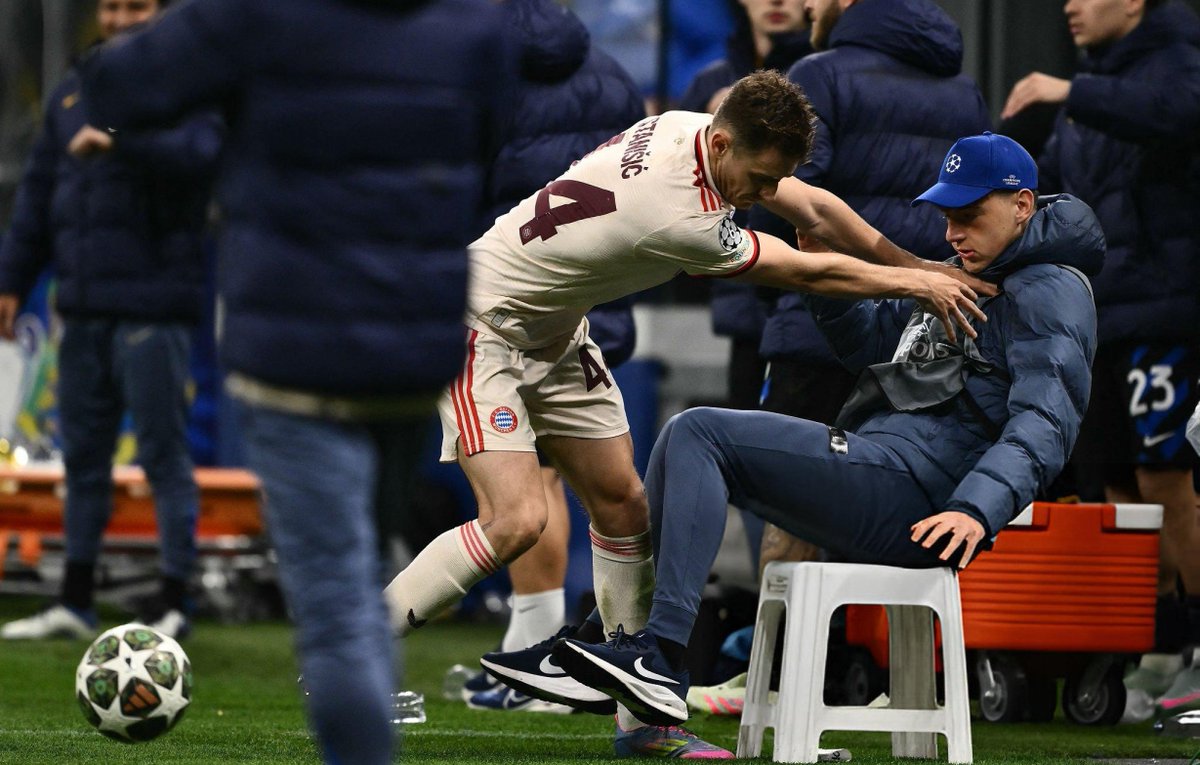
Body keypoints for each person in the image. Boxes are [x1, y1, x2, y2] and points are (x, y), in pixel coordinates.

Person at [383, 69, 990, 755]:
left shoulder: (692, 129)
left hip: (554, 328)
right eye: (759, 182)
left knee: (623, 505)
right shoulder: (679, 215)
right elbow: (809, 270)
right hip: (480, 322)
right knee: (519, 517)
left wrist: (921, 264)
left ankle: (639, 717)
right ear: (725, 142)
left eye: (772, 182)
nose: (763, 196)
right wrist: (920, 284)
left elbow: (814, 210)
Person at [510, 132, 1102, 730]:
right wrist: (824, 273)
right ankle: (614, 642)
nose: (952, 233)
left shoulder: (1051, 288)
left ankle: (657, 656)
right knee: (683, 439)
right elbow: (876, 347)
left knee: (699, 434)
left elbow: (1047, 420)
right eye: (948, 216)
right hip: (889, 467)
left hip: (924, 500)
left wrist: (977, 509)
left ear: (1022, 205)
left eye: (969, 216)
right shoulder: (965, 270)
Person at [77, 1, 518, 763]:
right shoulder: (474, 22)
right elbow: (493, 140)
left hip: (295, 355)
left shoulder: (257, 13)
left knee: (340, 605)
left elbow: (114, 85)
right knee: (367, 568)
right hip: (414, 350)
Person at [1002, 0, 1200, 720]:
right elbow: (1057, 192)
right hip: (1104, 312)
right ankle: (1158, 647)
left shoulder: (1177, 56)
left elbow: (1177, 111)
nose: (1069, 7)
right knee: (1119, 482)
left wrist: (1068, 91)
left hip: (1169, 307)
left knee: (1169, 473)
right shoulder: (1088, 87)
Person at [0, 0, 221, 642]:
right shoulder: (73, 84)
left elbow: (203, 155)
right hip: (82, 304)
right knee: (84, 459)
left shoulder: (187, 80)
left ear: (159, 13)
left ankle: (175, 597)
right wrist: (12, 279)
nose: (123, 19)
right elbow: (40, 190)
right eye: (113, 6)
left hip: (155, 306)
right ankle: (73, 600)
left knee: (163, 455)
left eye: (137, 7)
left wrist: (127, 140)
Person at [745, 0, 991, 573]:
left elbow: (780, 195)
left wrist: (775, 288)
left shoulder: (816, 75)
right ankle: (873, 661)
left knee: (792, 505)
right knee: (898, 499)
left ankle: (786, 662)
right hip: (929, 336)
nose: (806, 4)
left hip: (820, 329)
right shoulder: (965, 90)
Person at [458, 0, 646, 715]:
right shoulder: (612, 76)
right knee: (593, 488)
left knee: (520, 484)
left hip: (505, 299)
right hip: (599, 294)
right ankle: (563, 656)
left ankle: (541, 659)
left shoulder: (475, 72)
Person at [678, 0, 811, 415]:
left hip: (802, 292)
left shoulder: (820, 76)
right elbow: (673, 181)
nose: (776, 2)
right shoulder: (711, 83)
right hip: (735, 284)